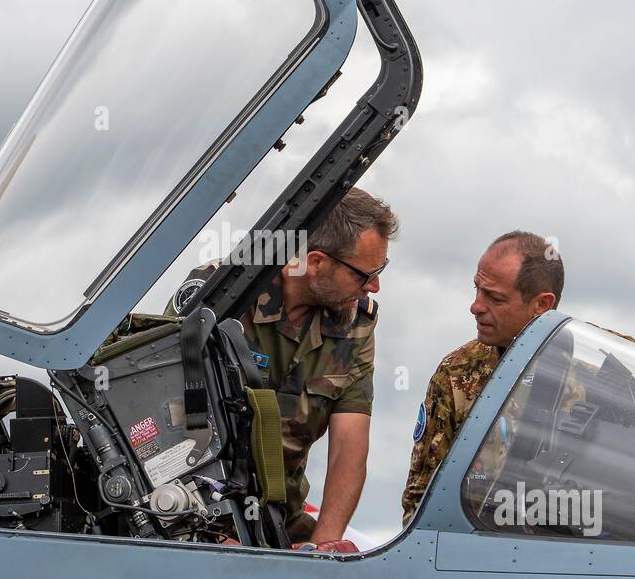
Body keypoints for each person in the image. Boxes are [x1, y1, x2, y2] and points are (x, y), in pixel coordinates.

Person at [170, 189, 398, 543]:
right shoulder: (221, 293)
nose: (375, 286)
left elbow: (348, 449)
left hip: (278, 523)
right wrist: (212, 544)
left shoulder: (355, 324)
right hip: (190, 520)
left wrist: (321, 548)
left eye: (380, 270)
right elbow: (157, 418)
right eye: (365, 275)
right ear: (316, 262)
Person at [402, 232, 564, 524]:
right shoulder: (456, 372)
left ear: (541, 304)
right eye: (477, 289)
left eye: (495, 297)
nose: (475, 306)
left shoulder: (601, 376)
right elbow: (421, 498)